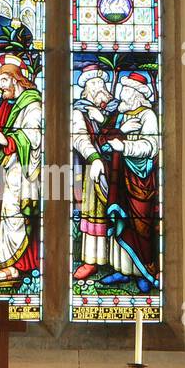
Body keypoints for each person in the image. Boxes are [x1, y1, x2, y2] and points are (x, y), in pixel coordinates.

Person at [0, 54, 43, 283]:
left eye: (3, 80)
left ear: (16, 79)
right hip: (9, 168)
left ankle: (14, 267)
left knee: (14, 213)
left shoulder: (32, 104)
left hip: (25, 170)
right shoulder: (8, 105)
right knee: (9, 212)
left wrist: (10, 142)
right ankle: (10, 264)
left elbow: (35, 137)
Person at [101, 71, 160, 293]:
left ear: (137, 94)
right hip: (120, 176)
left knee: (140, 225)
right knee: (121, 221)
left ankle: (143, 272)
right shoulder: (121, 115)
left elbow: (151, 146)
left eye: (126, 91)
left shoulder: (148, 117)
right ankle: (122, 269)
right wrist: (119, 135)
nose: (122, 95)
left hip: (141, 179)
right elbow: (104, 138)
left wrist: (125, 147)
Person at [71, 68, 115, 280]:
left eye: (101, 84)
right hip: (92, 170)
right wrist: (95, 158)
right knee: (94, 213)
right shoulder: (79, 111)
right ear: (86, 89)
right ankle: (91, 261)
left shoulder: (112, 110)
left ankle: (115, 260)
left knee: (116, 213)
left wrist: (105, 120)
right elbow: (79, 138)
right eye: (94, 84)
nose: (100, 89)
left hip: (116, 168)